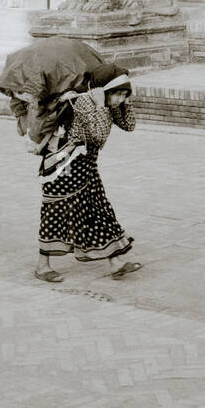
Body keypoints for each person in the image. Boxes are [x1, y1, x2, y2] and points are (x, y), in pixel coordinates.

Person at [35, 67, 142, 281]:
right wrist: (101, 104)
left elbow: (129, 125)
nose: (120, 100)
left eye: (124, 95)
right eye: (118, 94)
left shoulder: (107, 103)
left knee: (99, 209)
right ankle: (42, 266)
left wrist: (126, 102)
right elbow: (99, 135)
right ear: (105, 90)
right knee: (57, 211)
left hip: (86, 165)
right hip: (65, 167)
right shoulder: (85, 102)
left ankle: (115, 263)